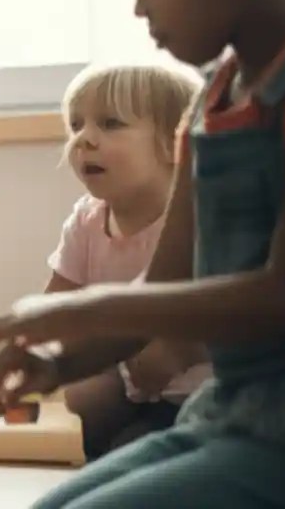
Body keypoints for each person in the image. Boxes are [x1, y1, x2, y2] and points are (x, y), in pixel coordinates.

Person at [0, 0, 285, 507]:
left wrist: (90, 303)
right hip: (229, 413)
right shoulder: (209, 109)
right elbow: (167, 285)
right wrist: (56, 365)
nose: (138, 7)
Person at [42, 64, 209, 458]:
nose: (84, 139)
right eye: (76, 125)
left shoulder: (199, 217)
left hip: (201, 387)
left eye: (110, 124)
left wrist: (178, 349)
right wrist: (32, 351)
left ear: (176, 143)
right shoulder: (87, 219)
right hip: (129, 378)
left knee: (135, 448)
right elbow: (55, 307)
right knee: (80, 400)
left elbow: (240, 315)